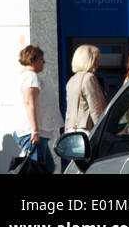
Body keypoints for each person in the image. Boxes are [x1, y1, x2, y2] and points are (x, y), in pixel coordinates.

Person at [14, 44, 62, 173]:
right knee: (37, 169)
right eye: (41, 59)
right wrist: (35, 131)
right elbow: (29, 103)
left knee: (47, 168)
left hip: (33, 131)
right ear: (33, 59)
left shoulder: (26, 76)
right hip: (32, 132)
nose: (44, 62)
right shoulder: (30, 76)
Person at [63, 44, 107, 135]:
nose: (97, 64)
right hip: (85, 131)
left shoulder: (72, 80)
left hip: (71, 130)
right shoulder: (88, 78)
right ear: (89, 61)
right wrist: (102, 131)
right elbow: (96, 109)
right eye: (96, 60)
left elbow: (68, 111)